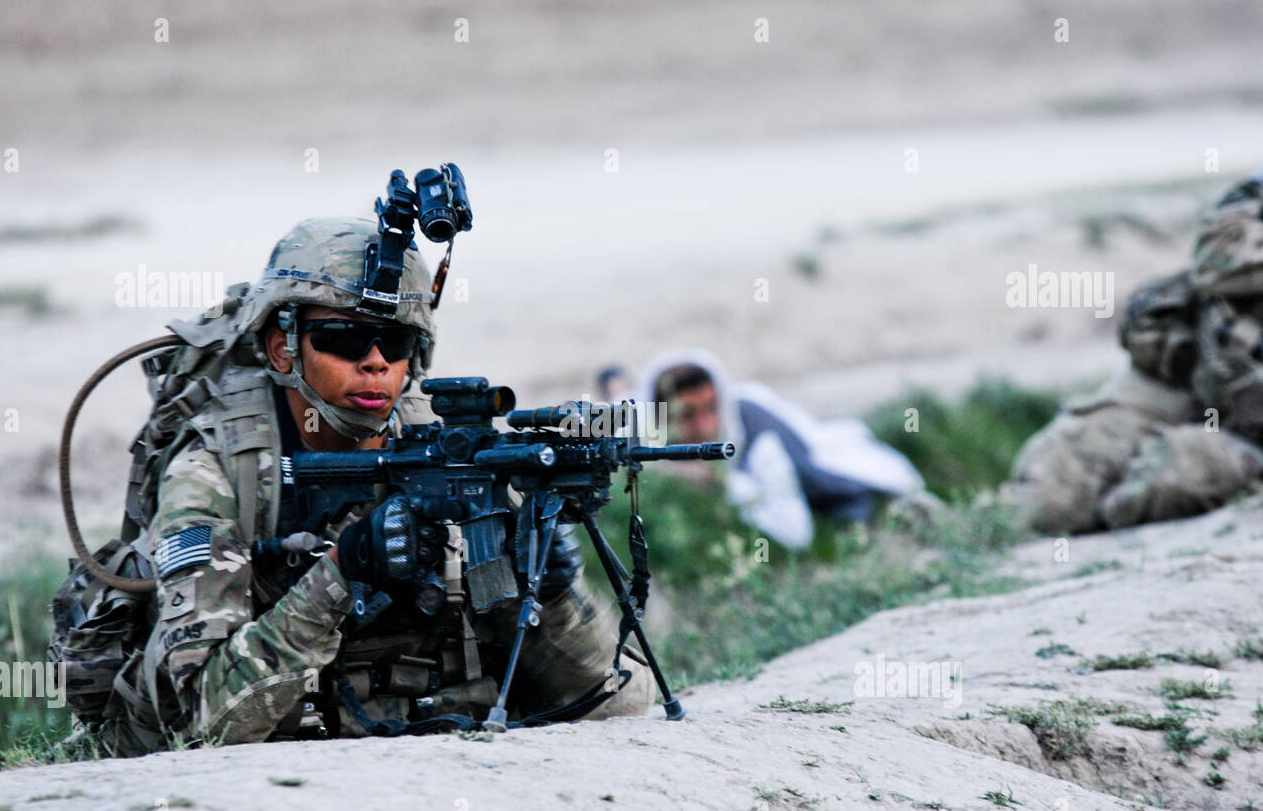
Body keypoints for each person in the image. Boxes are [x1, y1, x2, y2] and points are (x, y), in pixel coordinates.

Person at [96, 215, 652, 757]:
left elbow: (619, 706)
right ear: (282, 348)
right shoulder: (218, 472)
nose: (376, 363)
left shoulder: (443, 445)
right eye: (344, 338)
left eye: (396, 341)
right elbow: (207, 720)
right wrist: (344, 570)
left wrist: (551, 596)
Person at [1001, 172, 1263, 534]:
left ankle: (1106, 530)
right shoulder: (1253, 196)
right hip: (1183, 386)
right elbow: (1216, 265)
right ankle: (938, 539)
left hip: (1239, 438)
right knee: (1052, 493)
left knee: (1180, 471)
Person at [625, 349, 923, 550]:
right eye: (687, 414)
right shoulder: (649, 443)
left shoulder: (757, 429)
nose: (703, 425)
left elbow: (795, 531)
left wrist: (720, 483)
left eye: (710, 409)